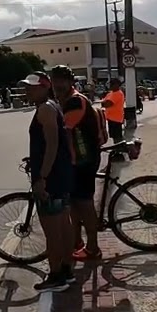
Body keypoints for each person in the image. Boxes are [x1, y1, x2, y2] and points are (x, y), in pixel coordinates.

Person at [20, 72, 76, 292]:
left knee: (52, 231)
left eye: (32, 87)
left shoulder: (45, 109)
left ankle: (56, 276)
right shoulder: (53, 106)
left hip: (51, 177)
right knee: (63, 224)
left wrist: (42, 177)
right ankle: (67, 269)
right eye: (26, 87)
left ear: (45, 87)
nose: (28, 91)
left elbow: (51, 145)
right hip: (61, 174)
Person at [51, 66, 107, 262]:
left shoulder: (75, 101)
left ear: (70, 82)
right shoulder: (66, 100)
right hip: (77, 161)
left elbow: (64, 133)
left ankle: (93, 248)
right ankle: (76, 243)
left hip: (83, 160)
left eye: (62, 81)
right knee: (74, 203)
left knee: (84, 204)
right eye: (55, 80)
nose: (57, 84)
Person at [100, 79, 126, 143]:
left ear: (117, 85)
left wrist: (104, 103)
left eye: (112, 84)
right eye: (110, 84)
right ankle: (119, 146)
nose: (111, 86)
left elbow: (107, 104)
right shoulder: (110, 93)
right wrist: (104, 103)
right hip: (110, 118)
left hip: (116, 118)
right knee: (114, 136)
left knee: (117, 137)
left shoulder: (118, 93)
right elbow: (103, 103)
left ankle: (121, 147)